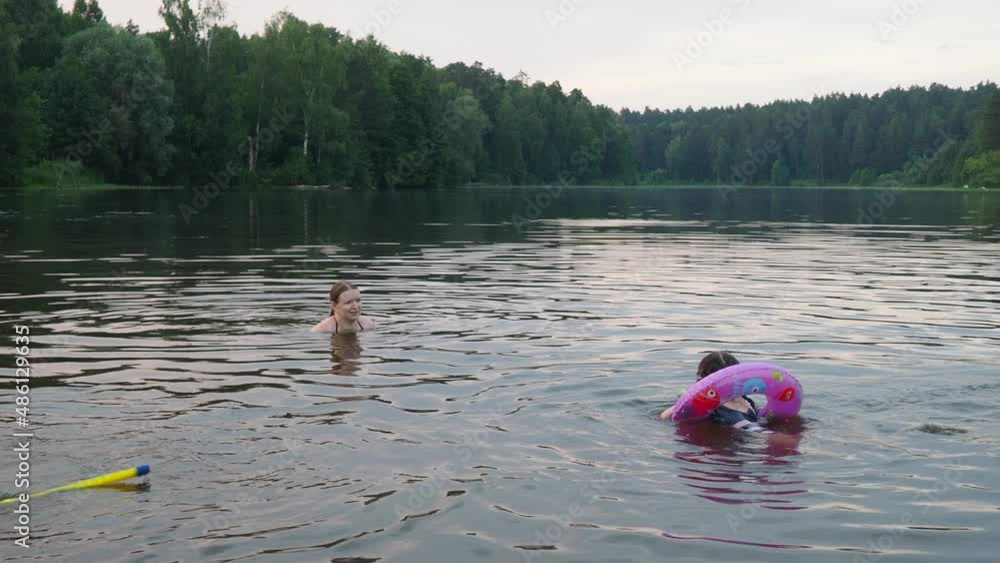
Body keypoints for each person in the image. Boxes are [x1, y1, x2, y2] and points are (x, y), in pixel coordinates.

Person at [660, 351, 769, 433]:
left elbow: (664, 417)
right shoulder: (743, 402)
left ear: (701, 380)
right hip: (744, 431)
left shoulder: (709, 405)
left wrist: (686, 399)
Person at [311, 281, 376, 334]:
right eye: (348, 302)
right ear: (334, 305)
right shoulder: (321, 330)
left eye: (358, 300)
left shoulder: (369, 325)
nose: (355, 306)